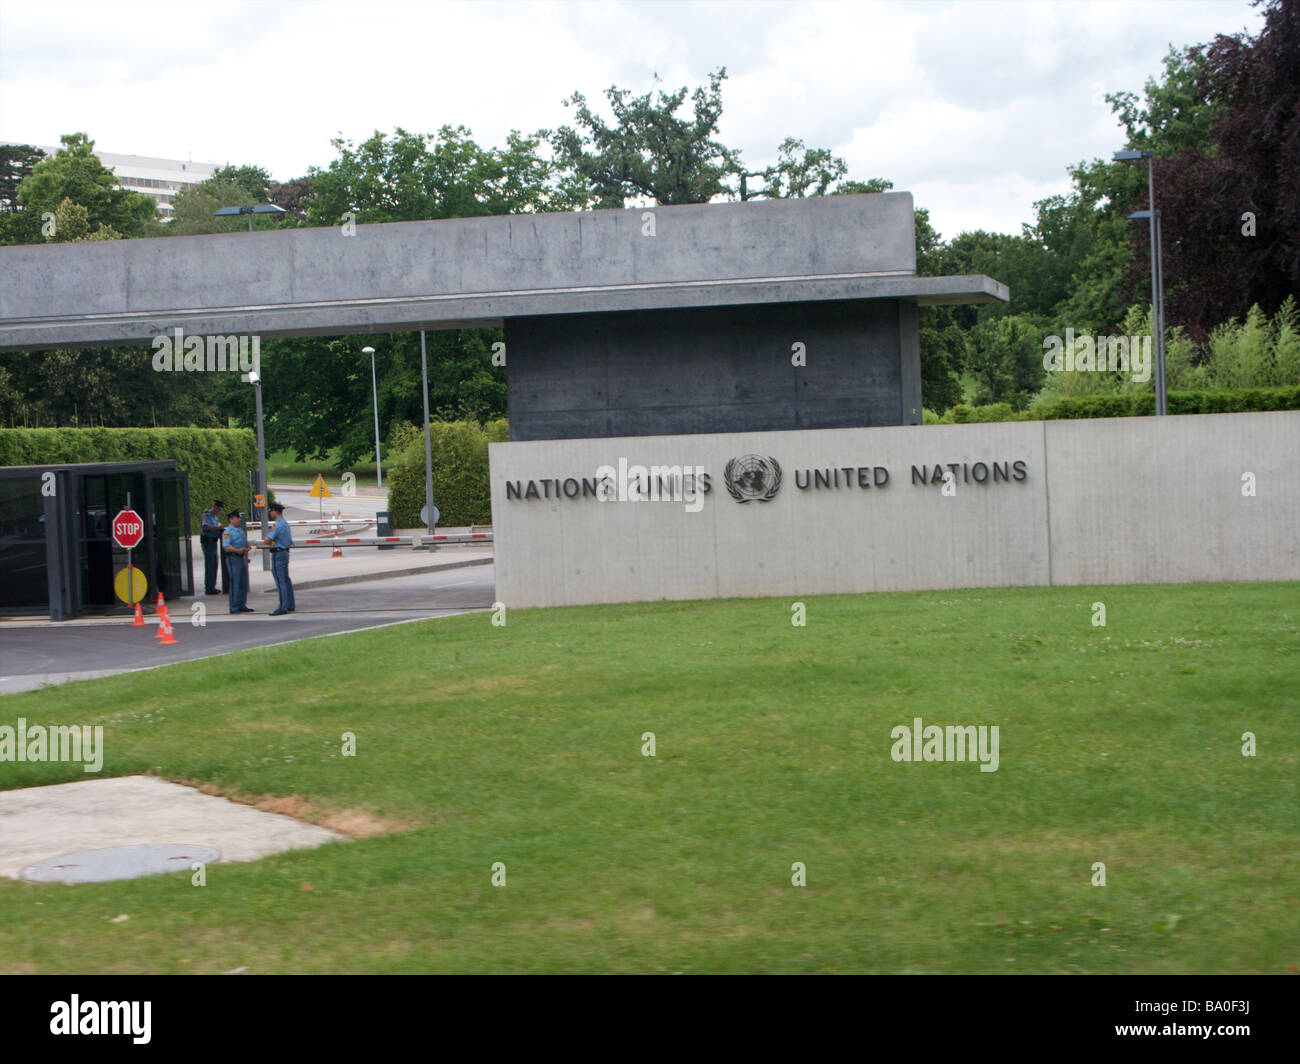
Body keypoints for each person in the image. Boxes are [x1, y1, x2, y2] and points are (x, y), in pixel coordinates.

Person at [265, 501, 295, 616]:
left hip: (278, 554)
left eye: (271, 510)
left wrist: (268, 539)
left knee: (280, 580)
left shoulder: (277, 524)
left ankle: (283, 607)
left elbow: (267, 540)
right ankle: (290, 604)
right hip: (284, 553)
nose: (270, 513)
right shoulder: (285, 523)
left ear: (275, 511)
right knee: (286, 579)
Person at [222, 510, 254, 614]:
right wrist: (236, 550)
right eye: (237, 517)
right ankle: (234, 606)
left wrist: (247, 547)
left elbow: (245, 542)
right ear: (231, 519)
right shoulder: (227, 532)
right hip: (233, 558)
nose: (239, 519)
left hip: (241, 558)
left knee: (243, 582)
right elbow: (226, 546)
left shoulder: (240, 530)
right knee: (235, 582)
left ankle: (241, 604)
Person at [200, 499, 226, 595]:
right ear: (214, 507)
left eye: (220, 510)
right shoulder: (206, 515)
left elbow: (217, 526)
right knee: (209, 564)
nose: (219, 511)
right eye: (218, 509)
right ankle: (209, 587)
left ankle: (212, 586)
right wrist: (218, 528)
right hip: (208, 543)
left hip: (214, 543)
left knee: (214, 564)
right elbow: (205, 527)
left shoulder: (216, 518)